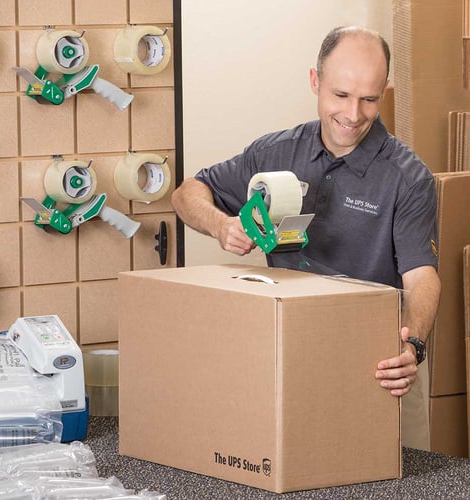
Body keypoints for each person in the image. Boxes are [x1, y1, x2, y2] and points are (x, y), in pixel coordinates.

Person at [171, 26, 441, 450]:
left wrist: (415, 347)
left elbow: (422, 277)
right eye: (340, 95)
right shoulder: (275, 153)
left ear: (383, 93)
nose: (353, 114)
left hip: (381, 363)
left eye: (369, 99)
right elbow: (188, 192)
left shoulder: (408, 178)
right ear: (315, 81)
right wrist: (222, 226)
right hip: (292, 354)